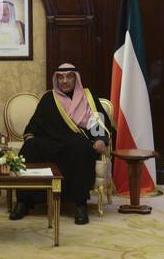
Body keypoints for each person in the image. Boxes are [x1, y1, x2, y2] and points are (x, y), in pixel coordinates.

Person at [11, 63, 113, 225]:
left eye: (69, 77)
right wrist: (30, 139)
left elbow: (97, 121)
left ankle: (80, 204)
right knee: (30, 148)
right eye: (61, 77)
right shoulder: (49, 98)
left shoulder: (87, 97)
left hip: (75, 143)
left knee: (80, 147)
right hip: (50, 142)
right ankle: (24, 202)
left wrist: (100, 139)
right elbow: (33, 126)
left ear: (76, 78)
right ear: (56, 79)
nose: (64, 81)